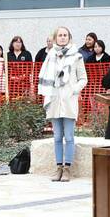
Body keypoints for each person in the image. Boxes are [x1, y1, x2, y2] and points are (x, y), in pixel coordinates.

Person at [38, 26, 86, 180]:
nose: (63, 37)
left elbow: (83, 79)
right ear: (55, 38)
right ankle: (58, 167)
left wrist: (74, 89)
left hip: (69, 100)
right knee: (57, 136)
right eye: (60, 35)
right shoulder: (50, 56)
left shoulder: (77, 57)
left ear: (69, 37)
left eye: (65, 35)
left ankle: (67, 168)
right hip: (54, 100)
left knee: (69, 137)